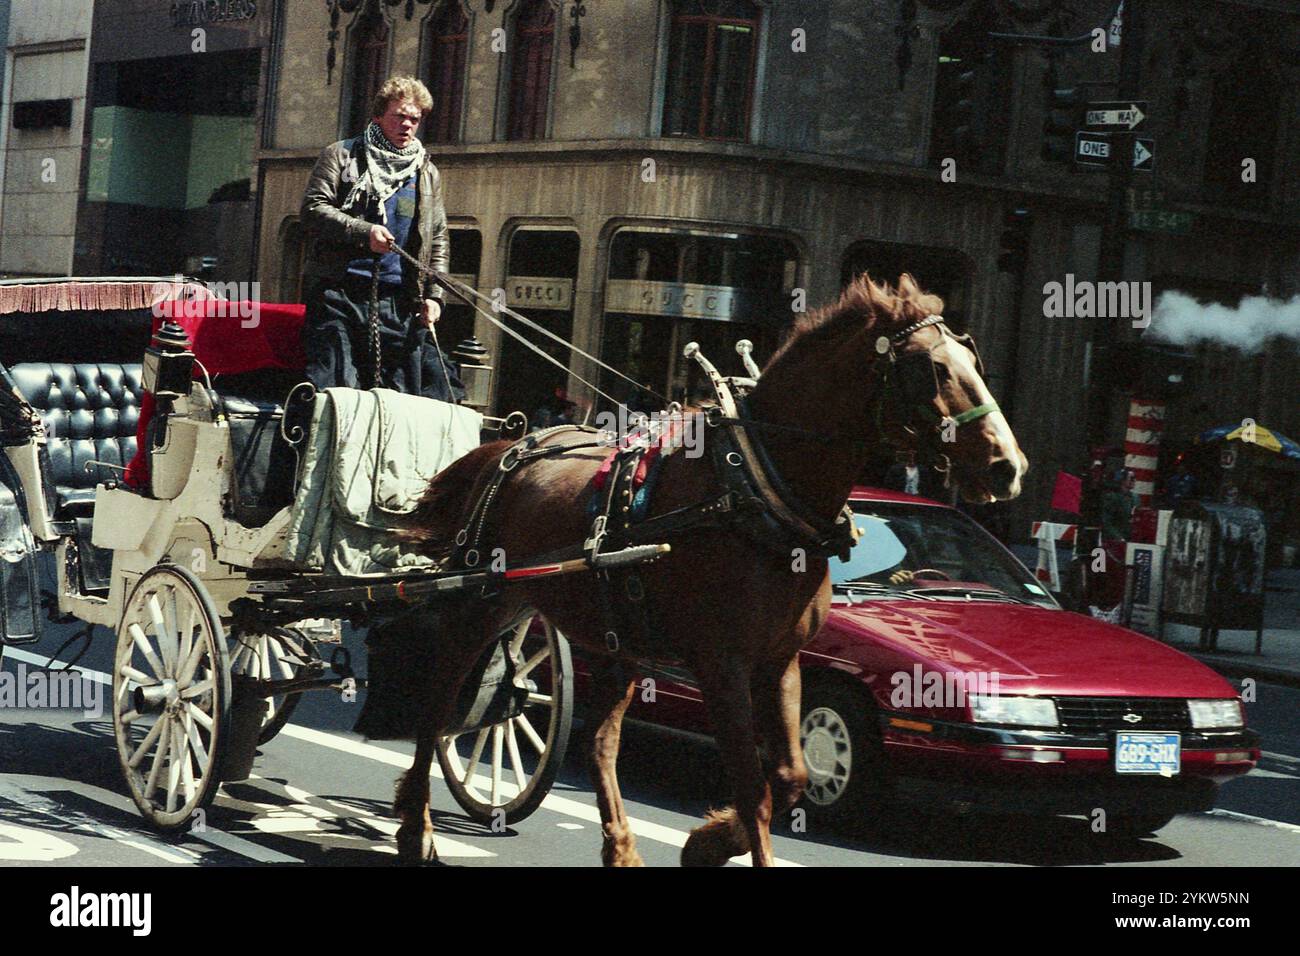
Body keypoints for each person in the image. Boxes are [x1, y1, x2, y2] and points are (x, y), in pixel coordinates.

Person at [299, 75, 462, 400]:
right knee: (337, 389)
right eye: (399, 116)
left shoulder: (425, 171)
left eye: (414, 119)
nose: (407, 125)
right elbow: (312, 210)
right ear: (377, 116)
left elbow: (438, 237)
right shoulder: (341, 154)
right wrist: (363, 233)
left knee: (406, 395)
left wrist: (434, 297)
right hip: (338, 294)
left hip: (397, 301)